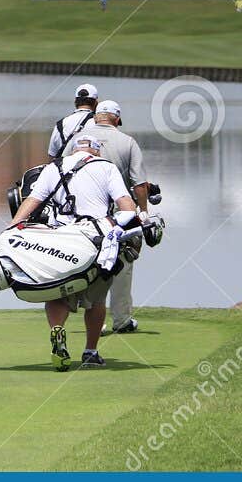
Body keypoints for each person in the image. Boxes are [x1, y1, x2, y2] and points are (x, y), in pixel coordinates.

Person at [7, 136, 138, 369]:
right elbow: (125, 204)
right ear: (96, 151)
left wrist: (12, 227)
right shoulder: (106, 167)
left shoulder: (53, 167)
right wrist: (135, 223)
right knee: (96, 300)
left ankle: (57, 330)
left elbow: (32, 200)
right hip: (95, 239)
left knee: (57, 292)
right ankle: (90, 352)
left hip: (59, 239)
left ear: (74, 150)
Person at [76, 99, 151, 334]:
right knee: (122, 264)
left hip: (84, 214)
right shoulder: (127, 142)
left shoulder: (77, 140)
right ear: (117, 119)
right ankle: (122, 320)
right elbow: (139, 184)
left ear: (95, 117)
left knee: (90, 263)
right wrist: (143, 212)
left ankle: (91, 317)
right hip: (121, 214)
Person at [46, 81, 100, 162]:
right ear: (96, 103)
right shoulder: (97, 123)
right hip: (90, 167)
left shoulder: (60, 124)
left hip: (64, 168)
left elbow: (52, 155)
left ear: (75, 101)